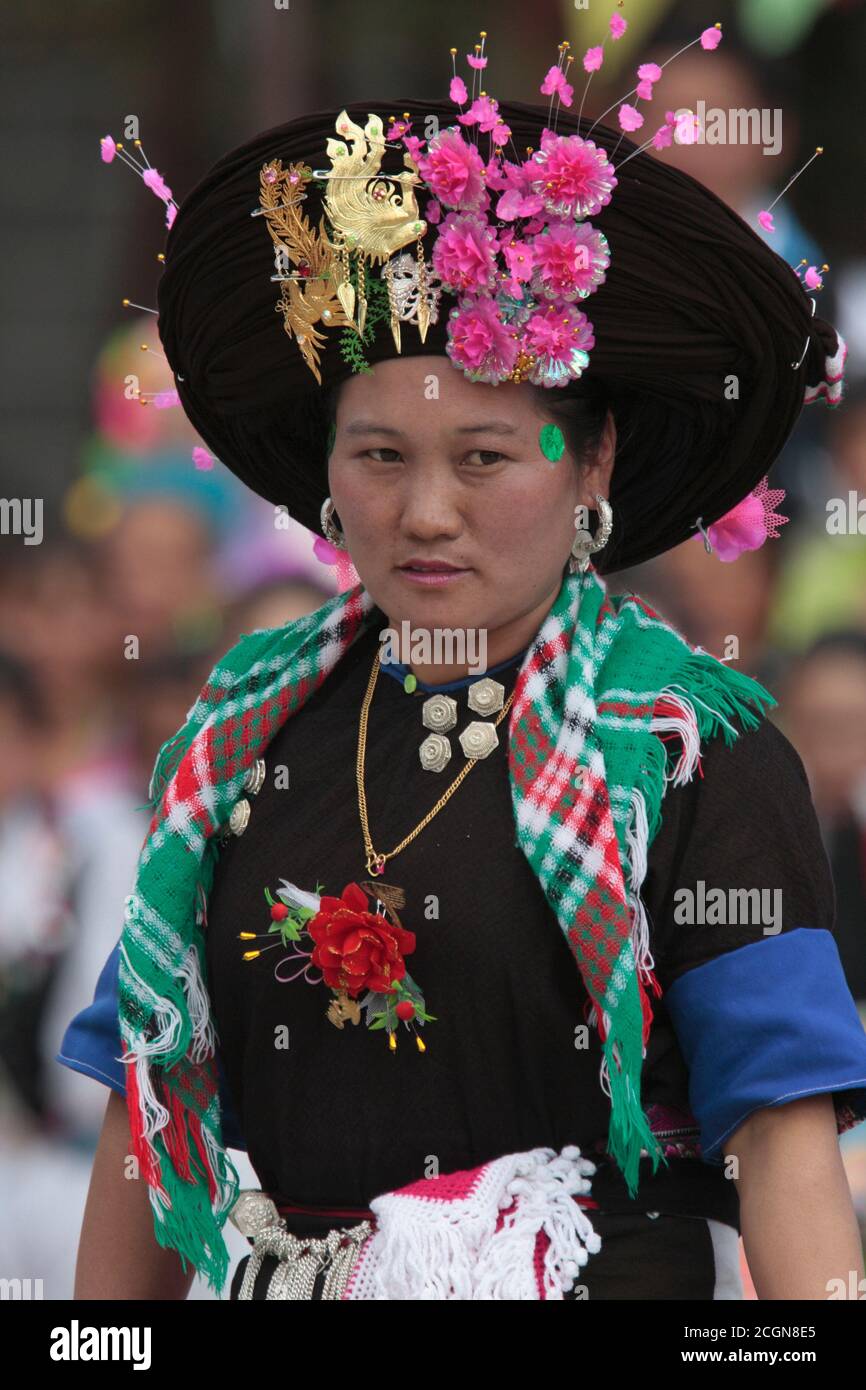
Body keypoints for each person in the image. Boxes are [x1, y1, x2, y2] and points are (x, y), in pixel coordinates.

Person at [58, 20, 866, 1301]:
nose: (424, 512)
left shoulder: (687, 749)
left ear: (588, 463)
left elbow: (780, 1134)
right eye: (379, 457)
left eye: (483, 458)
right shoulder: (234, 739)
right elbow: (147, 1115)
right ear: (325, 479)